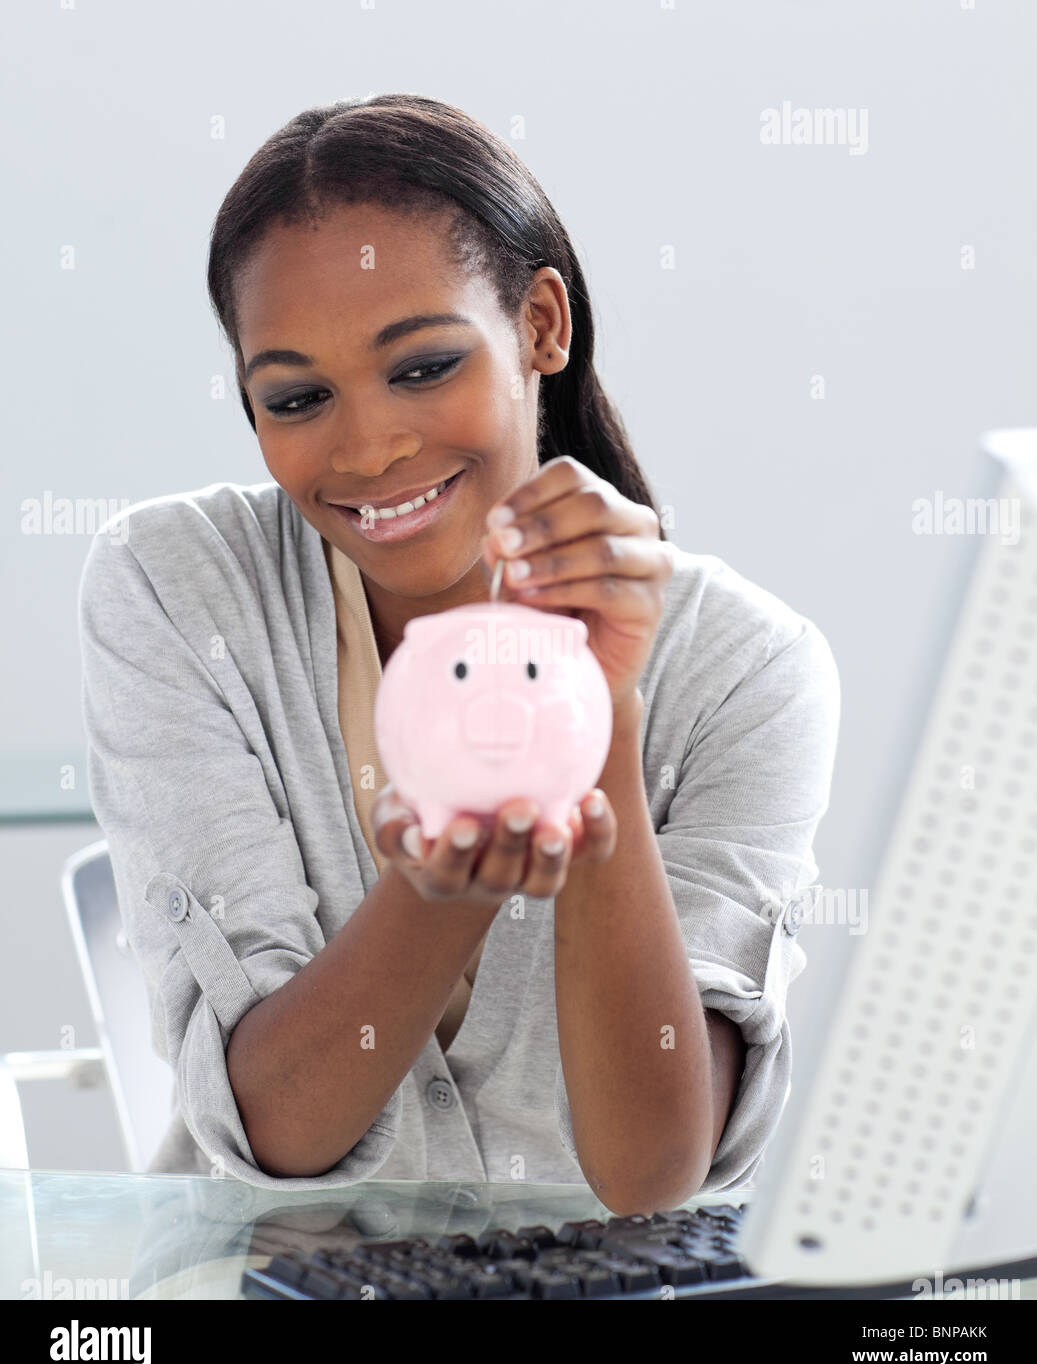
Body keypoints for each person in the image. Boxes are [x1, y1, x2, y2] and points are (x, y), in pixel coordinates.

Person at [78, 93, 840, 1214]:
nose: (370, 446)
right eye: (297, 397)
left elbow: (647, 1173)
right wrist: (436, 885)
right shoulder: (175, 587)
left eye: (423, 367)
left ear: (539, 324)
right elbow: (282, 1131)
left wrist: (598, 729)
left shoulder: (746, 668)